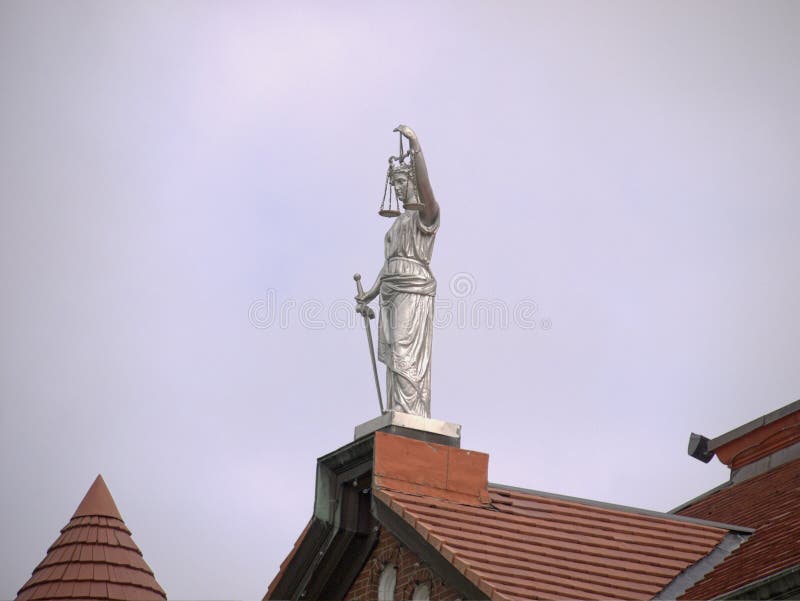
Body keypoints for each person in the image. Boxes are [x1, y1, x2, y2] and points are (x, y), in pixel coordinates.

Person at [356, 125, 440, 417]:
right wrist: (370, 292)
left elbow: (427, 190)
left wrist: (416, 146)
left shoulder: (424, 216)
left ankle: (411, 411)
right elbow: (388, 266)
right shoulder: (396, 226)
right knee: (394, 353)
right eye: (395, 186)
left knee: (405, 351)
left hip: (412, 289)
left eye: (402, 183)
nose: (398, 189)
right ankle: (397, 409)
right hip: (391, 291)